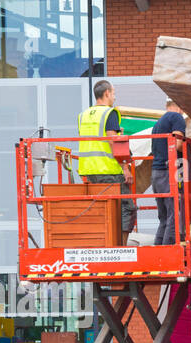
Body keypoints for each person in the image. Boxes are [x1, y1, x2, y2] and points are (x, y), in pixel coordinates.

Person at [77, 80, 135, 239]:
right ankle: (120, 247)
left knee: (102, 210)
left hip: (89, 171)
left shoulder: (84, 115)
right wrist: (125, 167)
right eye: (114, 93)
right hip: (108, 170)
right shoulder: (109, 113)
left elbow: (95, 138)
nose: (115, 97)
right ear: (107, 93)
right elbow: (112, 141)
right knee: (127, 208)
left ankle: (103, 244)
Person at [150, 99, 187, 245]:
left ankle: (158, 252)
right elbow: (176, 144)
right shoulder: (177, 117)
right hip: (167, 172)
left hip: (156, 173)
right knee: (174, 215)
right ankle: (168, 254)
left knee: (164, 218)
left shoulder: (157, 124)